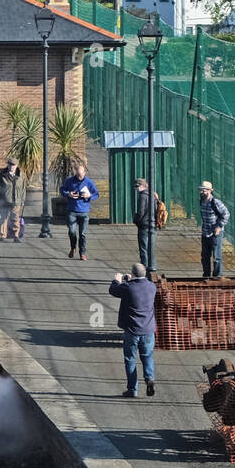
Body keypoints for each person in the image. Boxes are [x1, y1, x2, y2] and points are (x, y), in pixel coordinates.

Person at [109, 263, 157, 397]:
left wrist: (117, 280)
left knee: (130, 359)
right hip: (148, 330)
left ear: (133, 273)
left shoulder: (128, 287)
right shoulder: (152, 287)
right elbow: (139, 288)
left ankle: (132, 389)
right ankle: (149, 378)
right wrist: (131, 280)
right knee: (147, 356)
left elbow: (113, 290)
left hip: (132, 330)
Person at [60, 159, 98, 261]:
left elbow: (96, 194)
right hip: (72, 210)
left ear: (84, 172)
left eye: (81, 174)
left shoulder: (89, 182)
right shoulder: (69, 181)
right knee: (72, 231)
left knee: (82, 234)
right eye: (77, 174)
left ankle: (82, 252)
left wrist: (89, 196)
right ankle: (73, 247)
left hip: (84, 210)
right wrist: (68, 194)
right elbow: (62, 189)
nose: (79, 176)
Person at [198, 181, 231, 279]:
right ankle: (206, 275)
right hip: (205, 232)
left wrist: (219, 226)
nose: (203, 191)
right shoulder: (201, 201)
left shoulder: (215, 202)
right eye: (202, 189)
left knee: (216, 256)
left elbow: (226, 214)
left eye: (206, 190)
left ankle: (217, 276)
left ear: (210, 191)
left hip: (215, 233)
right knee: (205, 256)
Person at [132, 177, 156, 272]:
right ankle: (152, 268)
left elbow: (141, 212)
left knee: (143, 249)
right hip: (153, 225)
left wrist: (136, 220)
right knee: (151, 249)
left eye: (137, 186)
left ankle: (144, 270)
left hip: (144, 226)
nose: (136, 188)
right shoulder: (153, 195)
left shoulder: (142, 196)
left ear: (143, 186)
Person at [0, 158, 23, 242]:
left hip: (16, 200)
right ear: (8, 165)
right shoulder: (2, 175)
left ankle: (16, 235)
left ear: (17, 166)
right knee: (3, 218)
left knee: (15, 218)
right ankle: (2, 235)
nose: (12, 167)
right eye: (10, 165)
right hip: (4, 200)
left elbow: (23, 189)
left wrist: (22, 200)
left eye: (14, 165)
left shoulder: (21, 175)